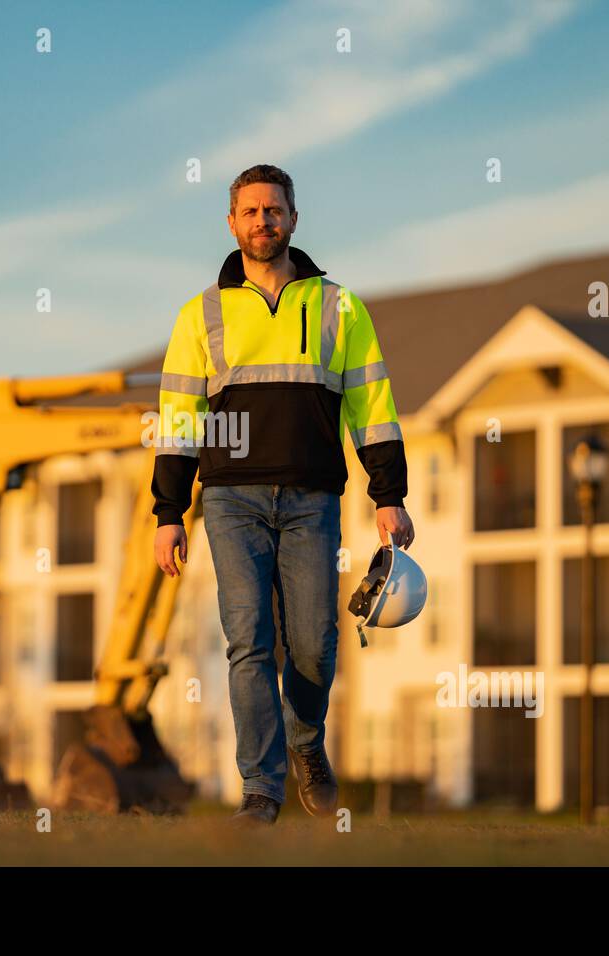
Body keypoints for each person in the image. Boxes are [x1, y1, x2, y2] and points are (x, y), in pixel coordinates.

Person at [150, 164, 413, 826]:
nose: (262, 221)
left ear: (294, 218)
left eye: (274, 210)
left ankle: (306, 746)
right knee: (248, 639)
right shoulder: (198, 314)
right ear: (232, 223)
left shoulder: (339, 306)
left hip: (312, 497)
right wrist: (167, 513)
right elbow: (179, 420)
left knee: (314, 644)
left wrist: (390, 493)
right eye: (250, 211)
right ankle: (260, 790)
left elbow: (372, 403)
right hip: (230, 500)